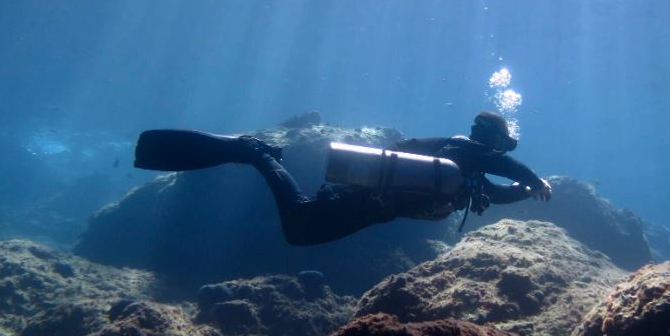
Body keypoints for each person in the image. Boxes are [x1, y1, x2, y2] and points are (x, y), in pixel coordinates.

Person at [134, 111, 552, 246]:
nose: (503, 151)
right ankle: (254, 152)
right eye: (503, 143)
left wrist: (526, 193)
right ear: (493, 139)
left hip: (371, 207)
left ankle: (255, 154)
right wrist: (536, 180)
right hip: (365, 202)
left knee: (299, 230)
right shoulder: (465, 148)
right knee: (298, 225)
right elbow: (507, 168)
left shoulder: (470, 170)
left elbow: (497, 194)